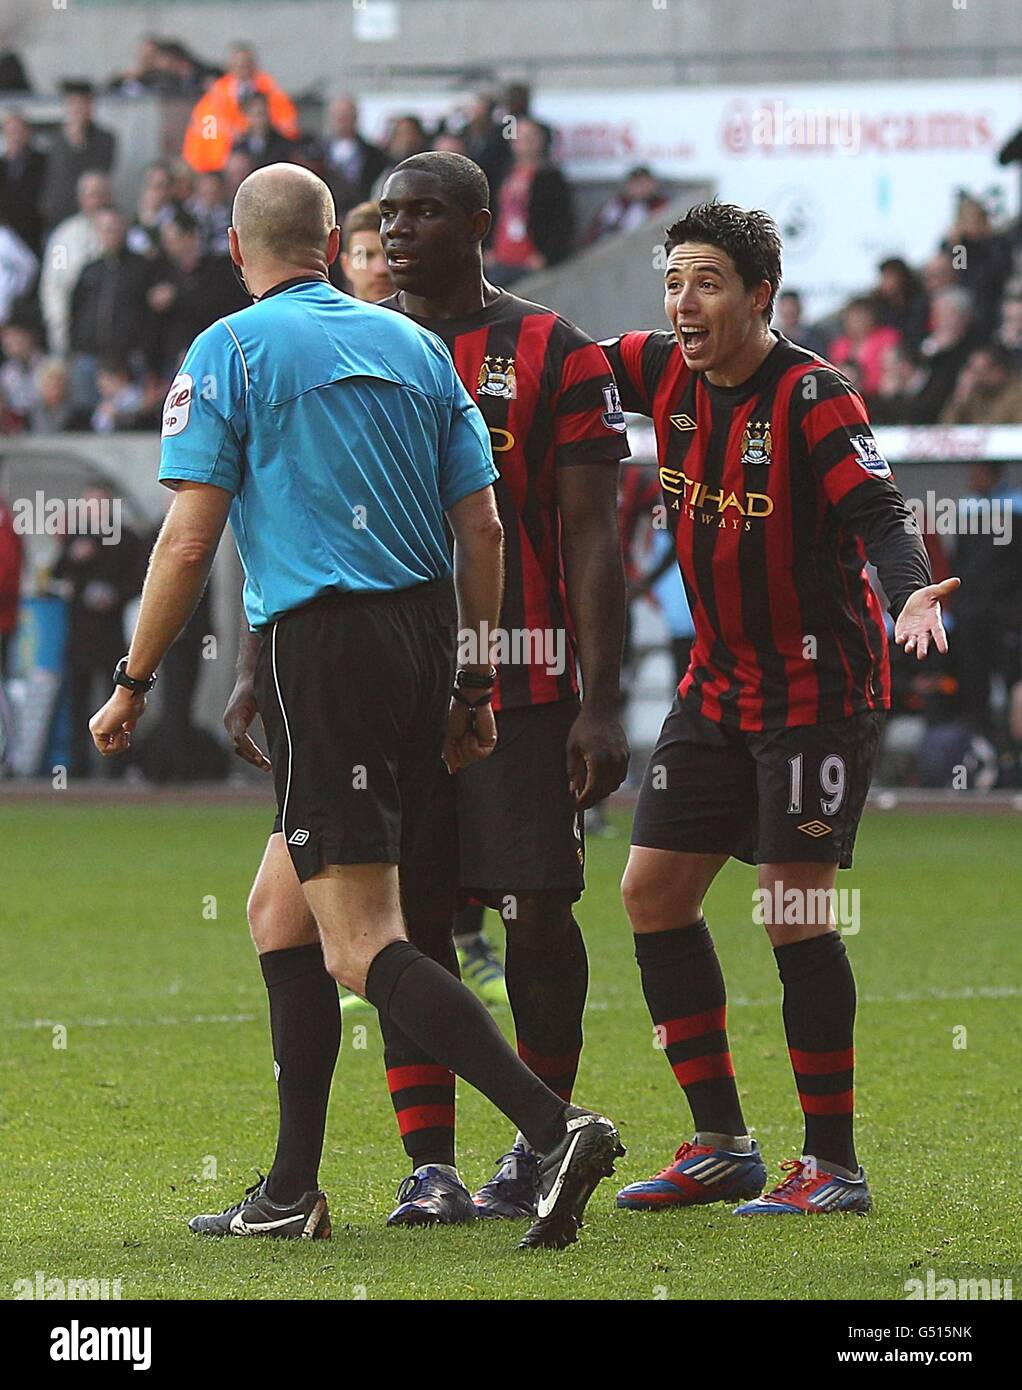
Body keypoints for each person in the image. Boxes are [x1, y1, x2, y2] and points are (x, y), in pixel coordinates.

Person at [88, 161, 623, 1251]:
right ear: (337, 244)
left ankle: (551, 1125)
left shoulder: (229, 350)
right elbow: (483, 531)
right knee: (277, 913)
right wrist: (472, 678)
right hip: (425, 639)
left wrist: (135, 679)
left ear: (239, 252)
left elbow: (190, 536)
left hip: (322, 646)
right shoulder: (415, 347)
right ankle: (292, 1189)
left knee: (359, 941)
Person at [599, 200, 957, 1216]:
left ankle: (832, 1165)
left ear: (760, 295)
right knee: (650, 895)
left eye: (705, 281)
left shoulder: (812, 395)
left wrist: (908, 589)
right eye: (672, 281)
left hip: (814, 693)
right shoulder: (657, 367)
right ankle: (721, 1143)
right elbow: (556, 356)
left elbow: (879, 514)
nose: (682, 301)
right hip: (714, 687)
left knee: (790, 912)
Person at [54, 486, 146, 778]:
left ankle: (116, 766)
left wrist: (114, 596)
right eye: (90, 506)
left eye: (99, 505)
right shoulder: (76, 539)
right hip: (79, 635)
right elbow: (55, 574)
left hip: (111, 636)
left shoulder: (127, 539)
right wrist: (71, 554)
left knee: (116, 701)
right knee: (77, 702)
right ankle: (78, 767)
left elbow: (142, 580)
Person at [181, 43, 299, 173]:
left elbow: (288, 129)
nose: (242, 68)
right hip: (223, 171)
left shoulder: (273, 94)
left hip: (267, 164)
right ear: (229, 67)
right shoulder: (213, 100)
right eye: (237, 64)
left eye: (246, 64)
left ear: (254, 66)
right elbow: (205, 135)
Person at [486, 117, 575, 286]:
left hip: (531, 262)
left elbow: (563, 221)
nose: (524, 141)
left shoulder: (551, 178)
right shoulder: (503, 174)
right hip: (500, 260)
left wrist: (547, 256)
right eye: (518, 136)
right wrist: (487, 249)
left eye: (530, 136)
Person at [39, 170, 112, 357]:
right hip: (72, 328)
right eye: (91, 195)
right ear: (81, 198)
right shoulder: (62, 238)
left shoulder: (119, 231)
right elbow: (54, 283)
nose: (97, 201)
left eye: (101, 194)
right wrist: (58, 325)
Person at [41, 81, 117, 228]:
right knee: (59, 249)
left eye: (83, 103)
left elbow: (102, 171)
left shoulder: (106, 138)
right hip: (58, 212)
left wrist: (79, 142)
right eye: (73, 103)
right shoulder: (55, 138)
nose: (78, 108)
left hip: (93, 212)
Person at [320, 97, 387, 219]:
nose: (342, 120)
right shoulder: (319, 150)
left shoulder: (374, 154)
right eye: (338, 115)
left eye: (346, 115)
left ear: (355, 117)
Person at [940, 343, 1022, 424]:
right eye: (970, 370)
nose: (973, 378)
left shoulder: (1016, 394)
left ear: (998, 372)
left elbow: (1012, 430)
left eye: (979, 372)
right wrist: (959, 400)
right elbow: (946, 428)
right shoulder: (971, 393)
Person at [0, 111, 47, 254]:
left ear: (27, 132)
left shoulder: (42, 161)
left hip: (33, 229)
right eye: (10, 131)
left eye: (18, 130)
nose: (15, 136)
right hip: (5, 232)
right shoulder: (1, 164)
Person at [585, 166, 668, 245]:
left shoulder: (661, 205)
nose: (640, 188)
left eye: (644, 183)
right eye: (636, 184)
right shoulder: (616, 206)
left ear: (653, 185)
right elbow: (596, 233)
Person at [231, 90, 300, 170]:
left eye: (262, 113)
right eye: (254, 113)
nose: (259, 119)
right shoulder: (239, 145)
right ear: (246, 116)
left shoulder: (284, 145)